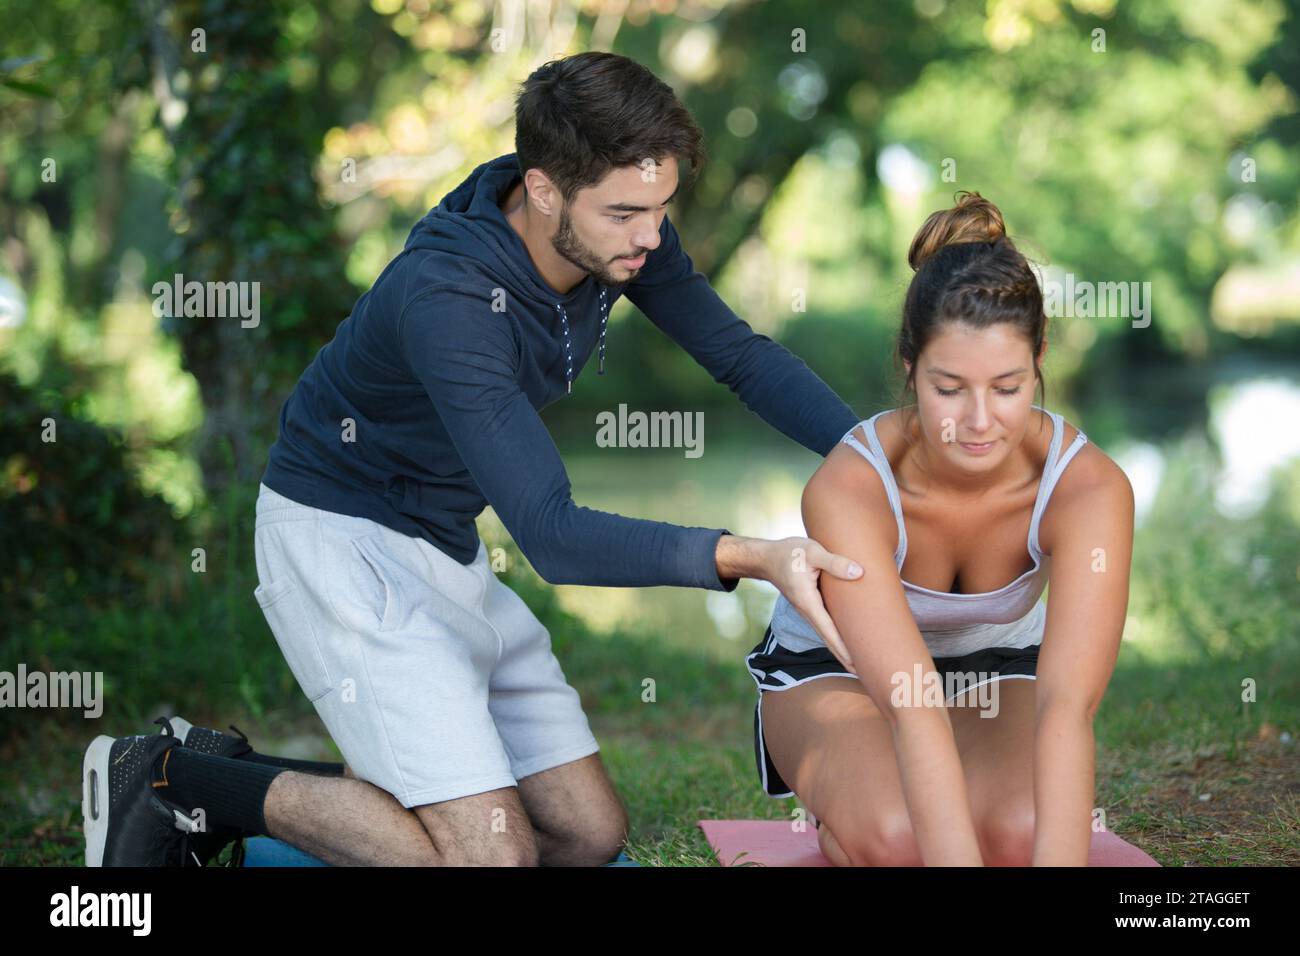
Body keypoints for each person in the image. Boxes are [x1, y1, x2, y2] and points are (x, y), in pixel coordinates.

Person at [81, 51, 867, 867]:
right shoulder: (451, 299)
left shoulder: (618, 234)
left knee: (589, 836)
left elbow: (738, 356)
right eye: (627, 212)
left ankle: (306, 779)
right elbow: (554, 537)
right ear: (543, 190)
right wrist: (753, 556)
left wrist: (875, 457)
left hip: (444, 545)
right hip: (340, 543)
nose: (651, 234)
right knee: (490, 858)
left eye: (663, 207)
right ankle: (176, 778)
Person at [746, 192, 1135, 867]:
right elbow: (913, 704)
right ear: (909, 365)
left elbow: (1066, 710)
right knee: (903, 842)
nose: (980, 422)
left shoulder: (1089, 488)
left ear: (1041, 357)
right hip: (842, 677)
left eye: (1008, 387)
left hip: (997, 671)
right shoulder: (850, 487)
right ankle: (848, 817)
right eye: (949, 388)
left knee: (1020, 834)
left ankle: (961, 785)